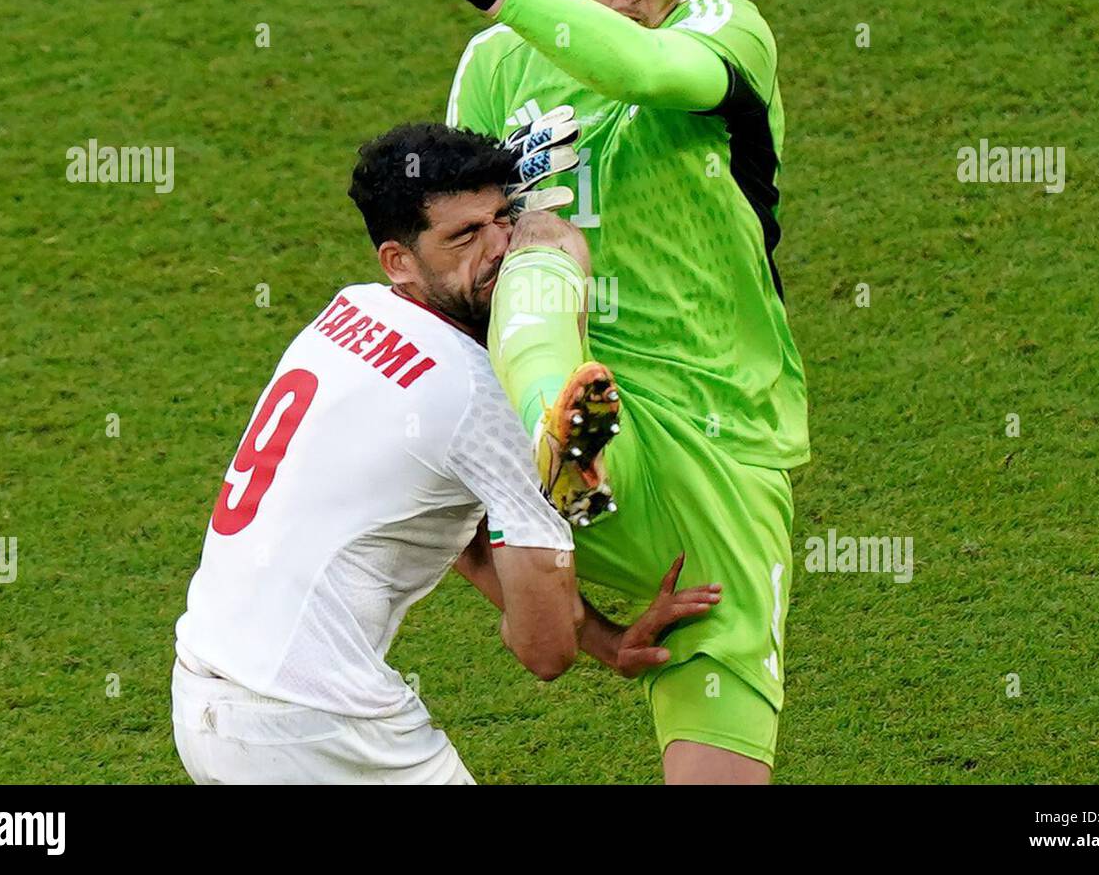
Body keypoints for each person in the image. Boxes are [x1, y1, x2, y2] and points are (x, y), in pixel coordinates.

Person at [354, 0, 809, 784]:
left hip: (724, 447)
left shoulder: (727, 32)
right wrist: (511, 202)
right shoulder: (497, 64)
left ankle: (571, 449)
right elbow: (452, 268)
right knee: (532, 250)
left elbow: (643, 74)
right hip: (573, 430)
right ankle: (570, 438)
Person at [171, 122, 718, 784]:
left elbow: (454, 531)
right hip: (319, 726)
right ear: (399, 260)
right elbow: (544, 652)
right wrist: (536, 604)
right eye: (465, 236)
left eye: (503, 218)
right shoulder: (480, 397)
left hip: (206, 693)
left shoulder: (347, 312)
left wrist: (606, 639)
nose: (500, 249)